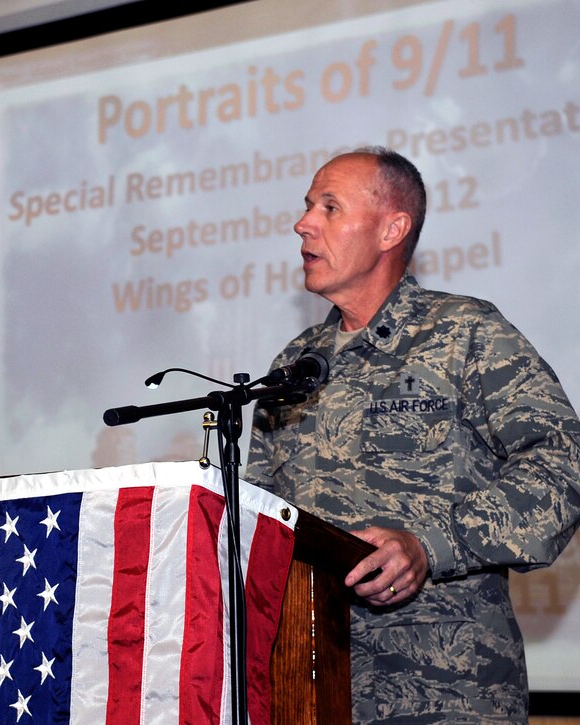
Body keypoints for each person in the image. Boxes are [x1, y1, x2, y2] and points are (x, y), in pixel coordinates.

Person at [246, 146, 580, 722]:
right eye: (307, 207)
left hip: (445, 694)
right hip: (308, 691)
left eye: (329, 207)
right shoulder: (295, 364)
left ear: (391, 229)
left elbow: (562, 465)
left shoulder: (463, 333)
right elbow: (259, 515)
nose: (303, 223)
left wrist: (429, 544)